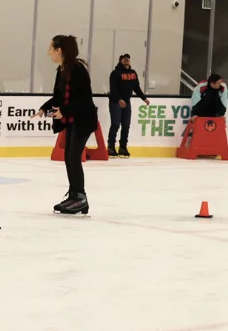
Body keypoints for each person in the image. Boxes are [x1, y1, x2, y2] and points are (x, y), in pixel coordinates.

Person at [40, 34, 97, 215]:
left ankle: (80, 197)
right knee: (69, 157)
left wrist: (64, 111)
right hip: (73, 120)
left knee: (73, 156)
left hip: (84, 119)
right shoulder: (61, 70)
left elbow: (84, 99)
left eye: (50, 49)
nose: (48, 53)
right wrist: (44, 108)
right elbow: (58, 96)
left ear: (59, 50)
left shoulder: (78, 70)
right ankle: (74, 195)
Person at [106, 54, 149, 156]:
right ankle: (111, 146)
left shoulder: (133, 73)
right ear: (120, 61)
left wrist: (144, 98)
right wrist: (119, 99)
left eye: (127, 59)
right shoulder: (115, 73)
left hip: (127, 102)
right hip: (115, 102)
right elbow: (113, 88)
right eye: (124, 59)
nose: (126, 60)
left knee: (126, 125)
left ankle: (123, 147)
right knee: (115, 124)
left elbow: (136, 88)